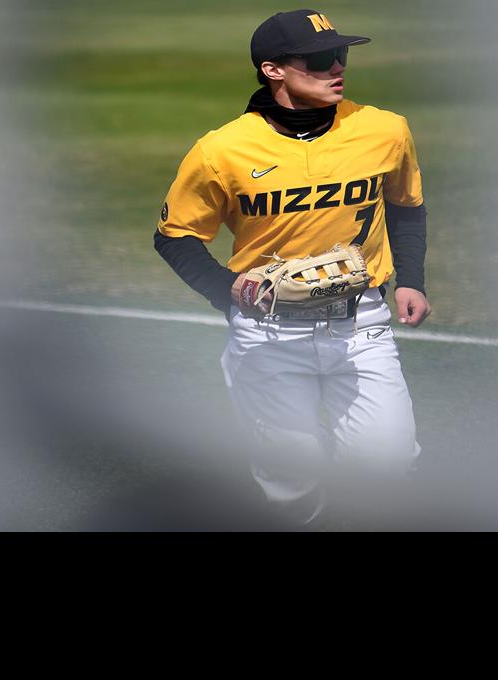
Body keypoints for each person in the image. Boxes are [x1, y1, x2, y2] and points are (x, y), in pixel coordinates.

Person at [153, 8, 430, 527]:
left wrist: (410, 280)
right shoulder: (222, 150)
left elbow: (405, 205)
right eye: (321, 60)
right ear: (273, 70)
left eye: (341, 56)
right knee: (290, 486)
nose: (337, 68)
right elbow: (175, 236)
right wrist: (226, 289)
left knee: (386, 468)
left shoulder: (384, 130)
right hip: (267, 335)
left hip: (361, 325)